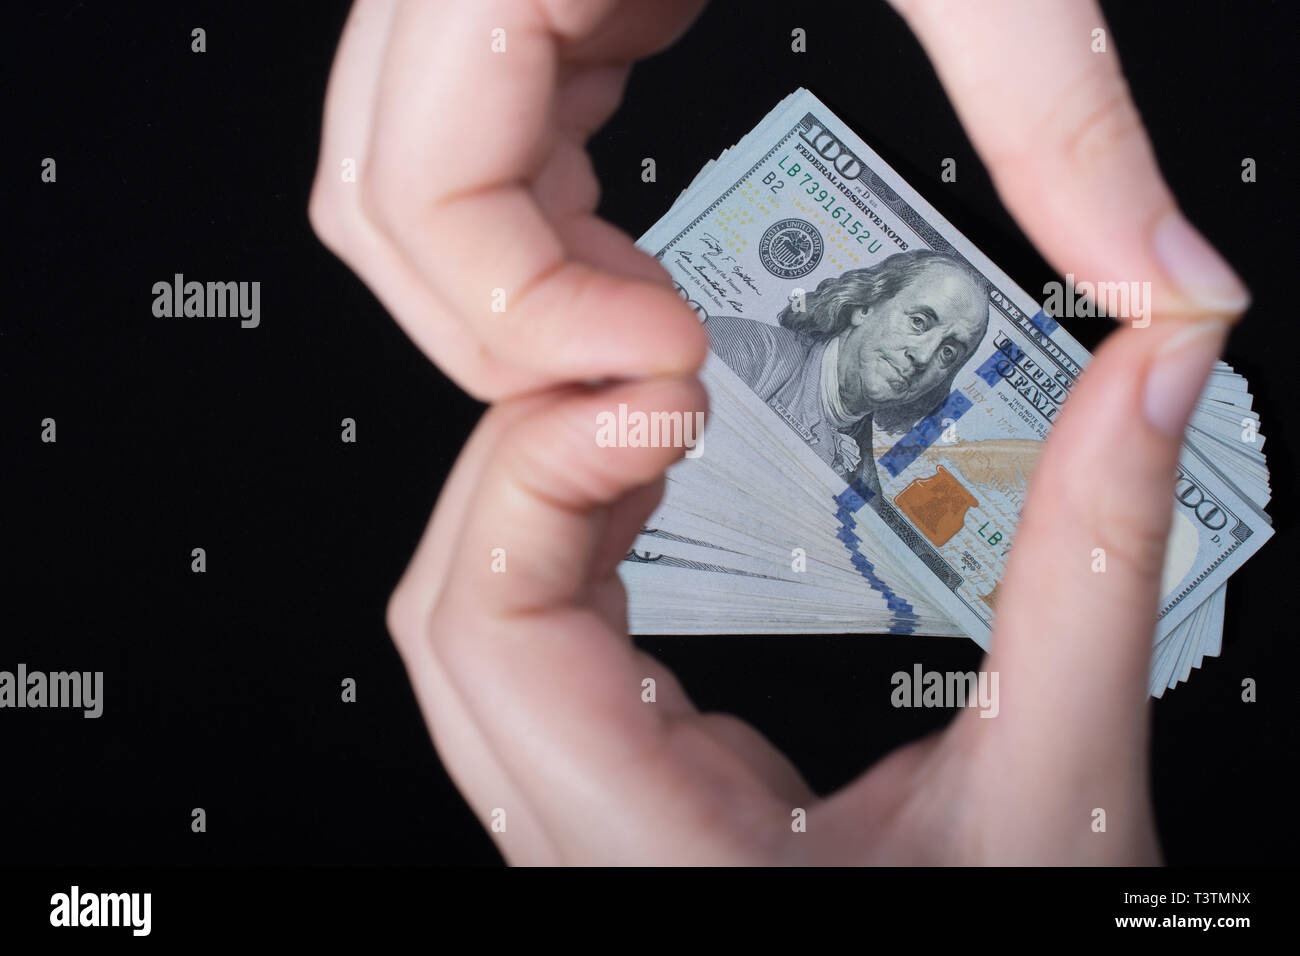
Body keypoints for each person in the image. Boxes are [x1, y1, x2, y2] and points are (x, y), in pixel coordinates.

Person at [308, 0, 1250, 864]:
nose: (930, 359)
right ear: (862, 306)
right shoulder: (748, 354)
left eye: (954, 350)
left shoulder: (871, 478)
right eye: (921, 323)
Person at [709, 250, 988, 494]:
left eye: (948, 352)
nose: (924, 356)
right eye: (918, 322)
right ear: (864, 307)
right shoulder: (741, 349)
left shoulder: (864, 496)